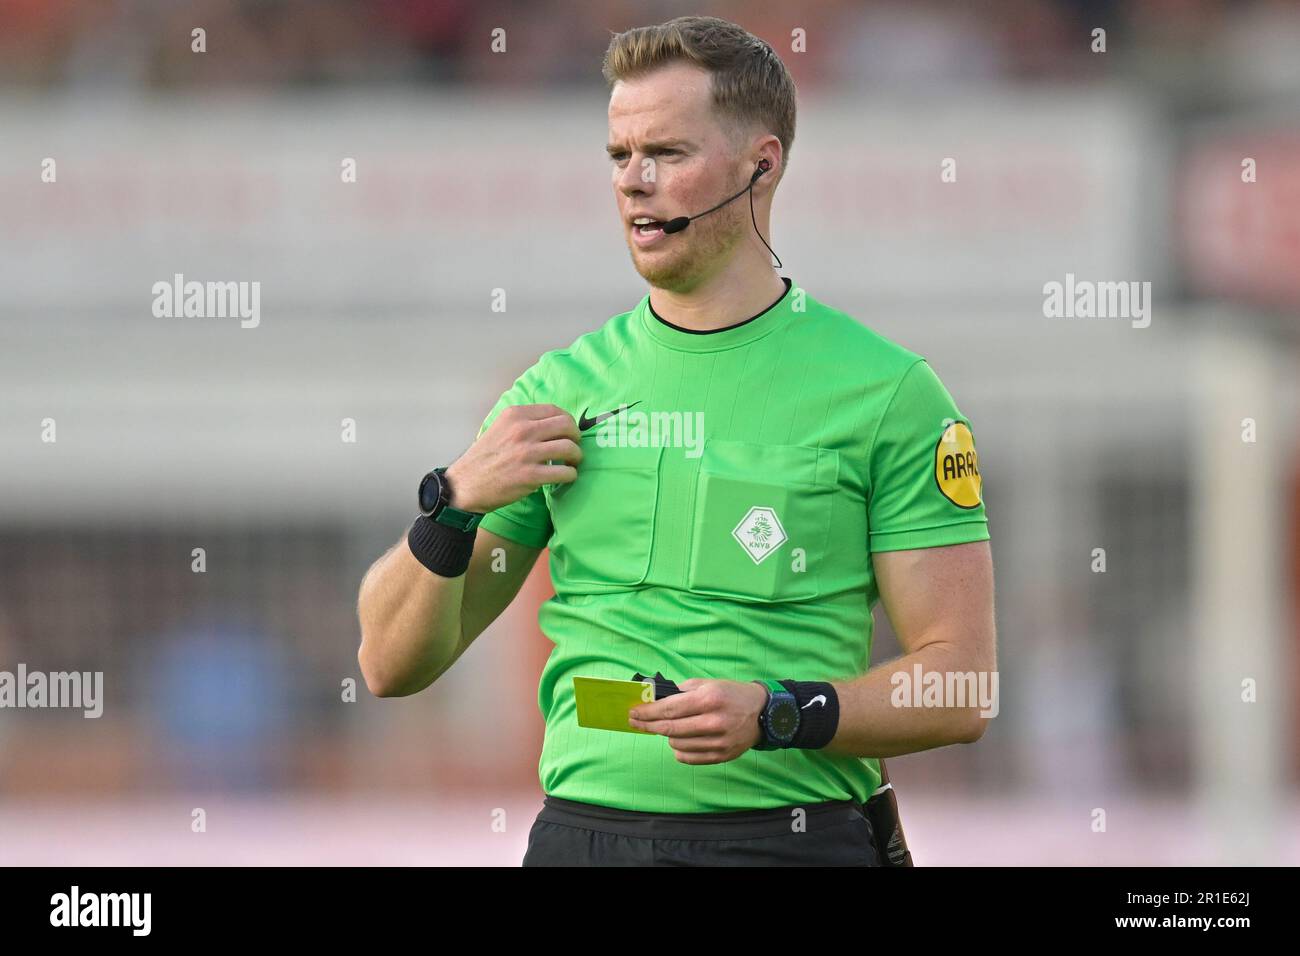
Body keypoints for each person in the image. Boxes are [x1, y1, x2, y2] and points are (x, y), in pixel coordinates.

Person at [357, 15, 996, 866]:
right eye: (620, 157)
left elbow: (962, 684)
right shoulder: (559, 392)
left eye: (667, 153)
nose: (635, 182)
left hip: (790, 843)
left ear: (760, 165)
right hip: (582, 841)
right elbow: (389, 664)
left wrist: (779, 713)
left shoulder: (890, 394)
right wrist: (451, 501)